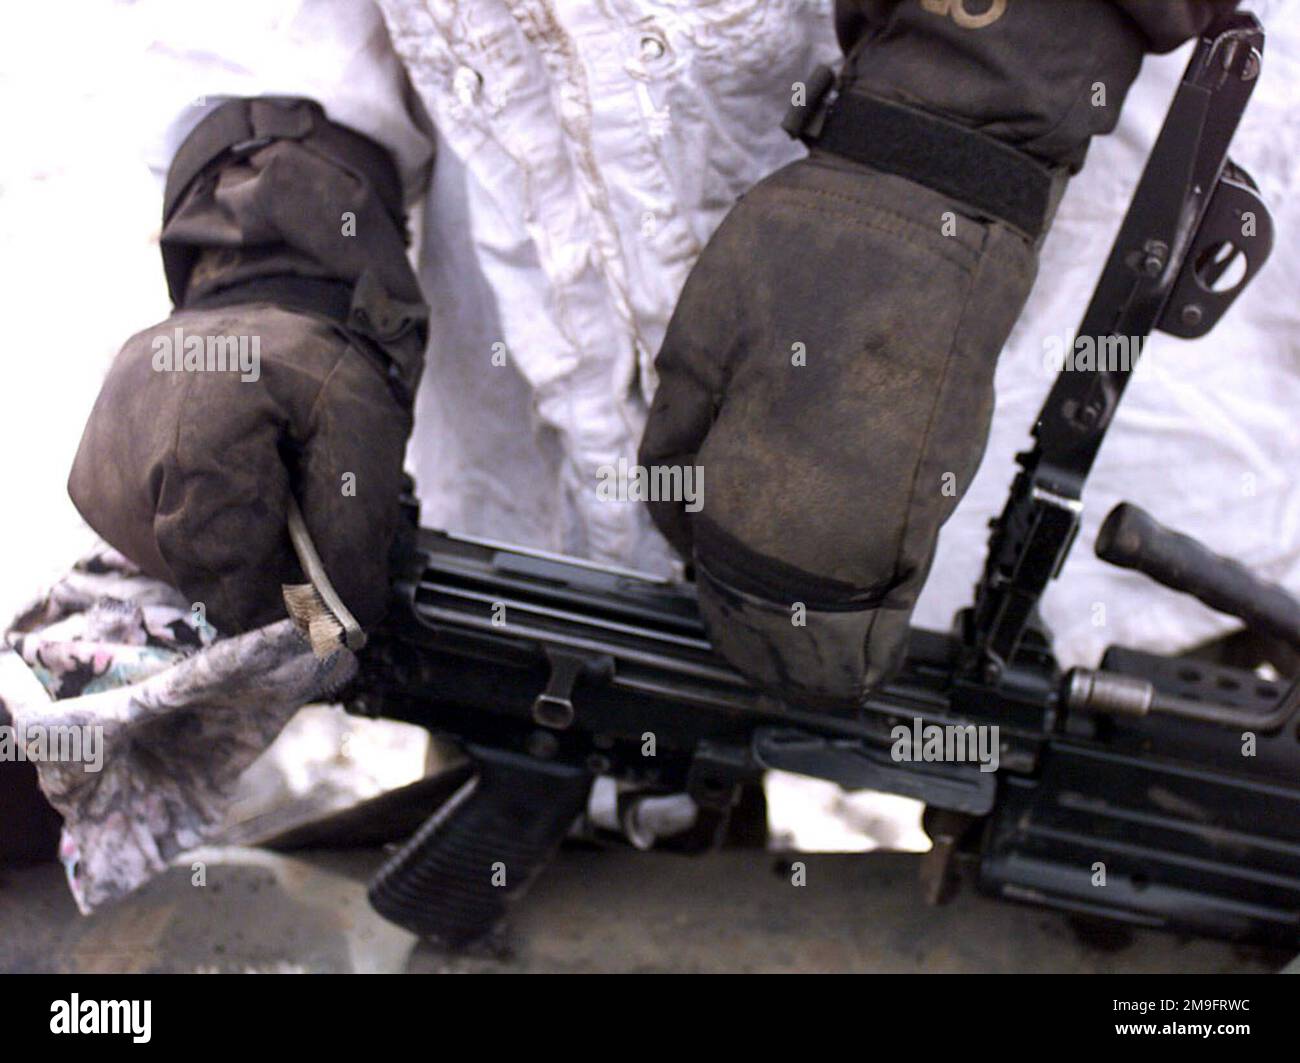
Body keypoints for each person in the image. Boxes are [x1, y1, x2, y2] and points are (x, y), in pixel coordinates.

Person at [64, 0, 1246, 714]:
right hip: (529, 448)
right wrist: (274, 251)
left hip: (1036, 313)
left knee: (1116, 833)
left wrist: (966, 118)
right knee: (596, 849)